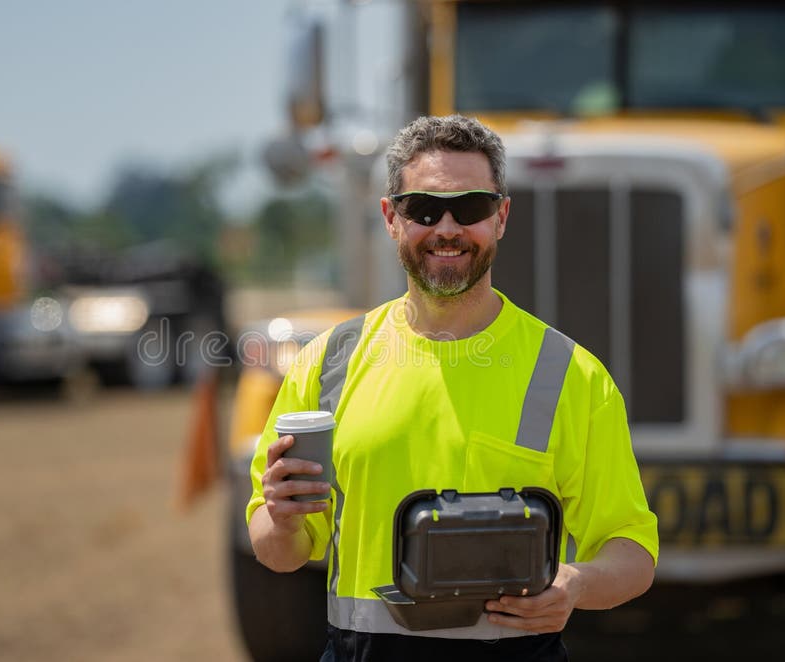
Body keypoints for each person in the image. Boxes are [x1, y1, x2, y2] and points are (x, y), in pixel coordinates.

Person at [246, 114, 658, 661]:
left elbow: (633, 551)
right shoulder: (327, 365)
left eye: (470, 209)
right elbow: (280, 554)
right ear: (391, 217)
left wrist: (576, 585)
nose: (446, 228)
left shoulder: (571, 375)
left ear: (501, 216)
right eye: (423, 208)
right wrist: (280, 516)